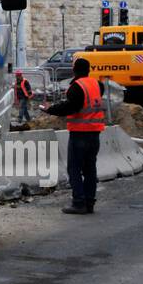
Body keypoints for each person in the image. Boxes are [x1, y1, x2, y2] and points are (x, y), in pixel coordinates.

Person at [43, 58, 105, 214]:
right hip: (95, 133)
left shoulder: (76, 87)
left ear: (74, 70)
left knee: (75, 169)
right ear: (88, 69)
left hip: (79, 134)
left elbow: (70, 107)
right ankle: (89, 202)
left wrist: (50, 109)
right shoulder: (97, 84)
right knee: (90, 169)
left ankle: (78, 203)